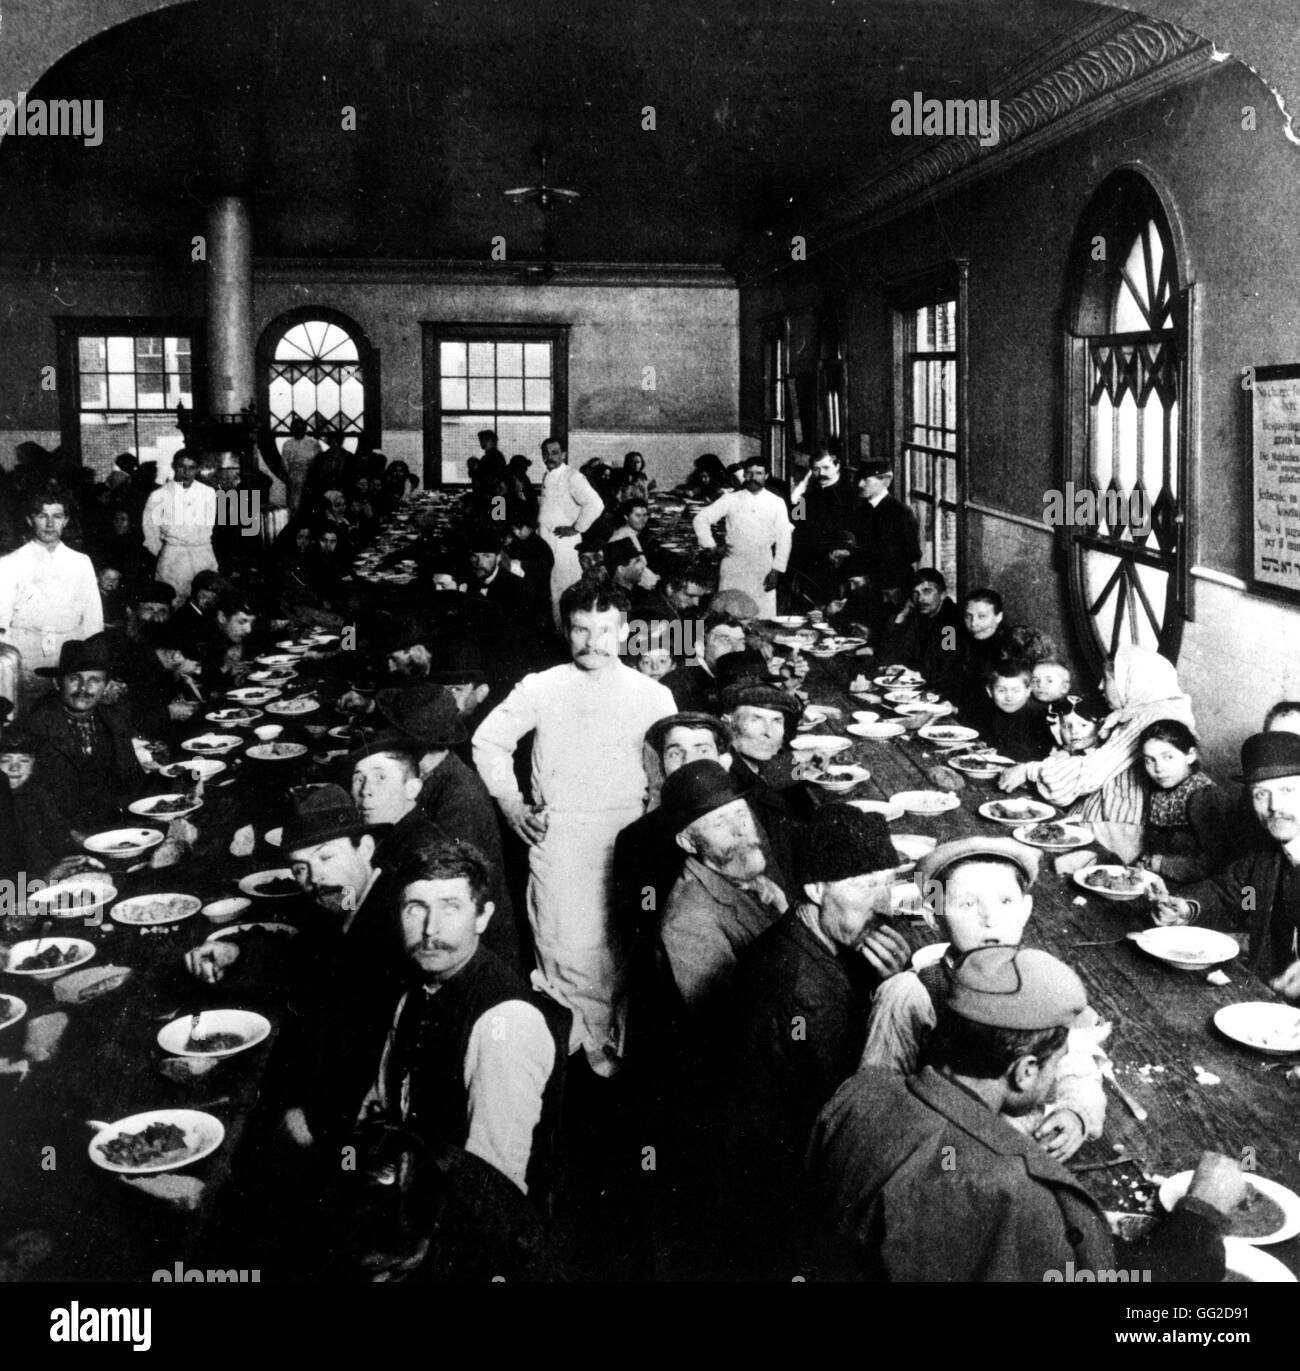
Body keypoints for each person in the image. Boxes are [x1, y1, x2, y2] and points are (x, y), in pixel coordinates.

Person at [808, 944, 1239, 1282]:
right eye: (1058, 1061)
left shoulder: (860, 1092)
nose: (1058, 1073)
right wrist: (1201, 1213)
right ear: (1025, 1071)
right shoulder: (1018, 1194)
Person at [472, 583, 675, 1076]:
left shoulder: (653, 694)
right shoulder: (542, 685)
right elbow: (488, 741)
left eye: (605, 630)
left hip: (630, 834)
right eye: (581, 629)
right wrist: (510, 801)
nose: (593, 641)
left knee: (626, 946)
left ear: (625, 631)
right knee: (567, 946)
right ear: (566, 629)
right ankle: (580, 1056)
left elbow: (670, 768)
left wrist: (658, 822)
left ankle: (620, 1051)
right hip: (559, 836)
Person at [714, 805, 912, 1278]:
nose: (884, 903)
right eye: (865, 885)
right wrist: (896, 993)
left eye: (888, 882)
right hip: (785, 1195)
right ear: (815, 889)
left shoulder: (796, 936)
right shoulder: (805, 994)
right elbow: (855, 1115)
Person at [862, 837, 1107, 1162]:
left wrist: (1077, 1112)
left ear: (1025, 910)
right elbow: (877, 1097)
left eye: (1005, 901)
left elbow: (1077, 1067)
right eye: (967, 904)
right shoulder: (910, 994)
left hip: (1028, 1153)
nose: (989, 918)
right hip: (943, 1156)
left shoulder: (1040, 982)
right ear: (933, 916)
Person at [355, 840, 569, 1201]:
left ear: (483, 916)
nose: (430, 930)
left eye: (450, 907)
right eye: (415, 908)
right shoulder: (416, 990)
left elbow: (494, 1186)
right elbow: (382, 1100)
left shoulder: (504, 1026)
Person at [371, 680, 523, 971]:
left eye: (394, 736)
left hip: (472, 958)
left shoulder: (460, 798)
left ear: (414, 744)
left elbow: (443, 889)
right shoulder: (431, 776)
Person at [999, 643, 1195, 865]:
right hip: (1105, 823)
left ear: (1131, 680)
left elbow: (1091, 772)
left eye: (1107, 679)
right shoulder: (1150, 711)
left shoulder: (1150, 719)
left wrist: (1030, 770)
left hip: (1114, 832)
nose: (1101, 686)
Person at [1150, 731, 1300, 996]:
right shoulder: (1265, 856)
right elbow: (1240, 899)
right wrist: (1186, 908)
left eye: (1287, 790)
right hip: (1266, 991)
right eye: (1261, 794)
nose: (1275, 806)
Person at [656, 760, 788, 1018]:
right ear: (688, 842)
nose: (740, 830)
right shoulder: (689, 923)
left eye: (741, 814)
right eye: (719, 823)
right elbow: (728, 1024)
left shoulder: (739, 869)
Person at [24, 636, 146, 849]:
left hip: (116, 830)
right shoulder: (37, 726)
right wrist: (68, 834)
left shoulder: (114, 721)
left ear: (106, 686)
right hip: (62, 838)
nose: (84, 688)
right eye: (75, 678)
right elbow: (34, 796)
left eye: (94, 680)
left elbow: (134, 780)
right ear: (57, 682)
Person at [0, 485, 103, 689]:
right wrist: (10, 662)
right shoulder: (10, 563)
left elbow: (94, 619)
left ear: (65, 520)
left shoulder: (80, 562)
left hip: (70, 654)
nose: (49, 524)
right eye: (41, 515)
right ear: (30, 520)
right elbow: (1, 618)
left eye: (57, 516)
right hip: (26, 654)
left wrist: (86, 661)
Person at [691, 458, 791, 618]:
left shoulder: (776, 503)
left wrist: (777, 570)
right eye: (749, 473)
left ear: (766, 476)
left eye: (758, 473)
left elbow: (784, 538)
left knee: (761, 615)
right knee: (728, 614)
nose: (753, 478)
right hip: (734, 565)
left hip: (762, 566)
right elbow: (700, 519)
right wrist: (711, 546)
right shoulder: (731, 499)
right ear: (744, 474)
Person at [1134, 719, 1231, 884]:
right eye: (1150, 760)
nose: (1158, 768)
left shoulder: (1205, 796)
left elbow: (1218, 863)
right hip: (1160, 883)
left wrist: (1160, 864)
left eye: (1168, 757)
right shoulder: (1158, 792)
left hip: (1199, 891)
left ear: (1190, 755)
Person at [536, 436, 604, 626]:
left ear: (564, 454)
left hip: (563, 544)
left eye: (555, 453)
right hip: (548, 541)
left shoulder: (572, 476)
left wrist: (576, 528)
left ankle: (570, 636)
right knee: (552, 590)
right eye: (545, 453)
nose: (549, 457)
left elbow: (596, 504)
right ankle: (559, 634)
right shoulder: (548, 475)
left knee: (564, 590)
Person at [850, 461, 921, 635]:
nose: (860, 484)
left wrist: (871, 577)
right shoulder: (861, 511)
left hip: (891, 590)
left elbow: (912, 553)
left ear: (886, 481)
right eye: (859, 479)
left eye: (865, 480)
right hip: (864, 589)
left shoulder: (901, 513)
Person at [141, 450, 218, 603]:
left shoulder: (208, 493)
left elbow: (209, 525)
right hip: (173, 558)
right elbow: (150, 532)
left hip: (202, 555)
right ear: (173, 467)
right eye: (182, 467)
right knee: (174, 600)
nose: (186, 472)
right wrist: (168, 551)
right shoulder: (158, 495)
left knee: (206, 601)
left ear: (197, 469)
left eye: (192, 468)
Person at [787, 451, 857, 603]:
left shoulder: (851, 495)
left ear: (837, 466)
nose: (821, 473)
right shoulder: (807, 495)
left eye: (826, 468)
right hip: (809, 566)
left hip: (839, 566)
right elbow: (797, 523)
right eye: (815, 469)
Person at [876, 567, 962, 690]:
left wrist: (916, 675)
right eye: (916, 593)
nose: (921, 599)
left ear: (943, 594)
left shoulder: (950, 625)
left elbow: (947, 671)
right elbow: (889, 656)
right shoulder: (921, 617)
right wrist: (901, 616)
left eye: (927, 591)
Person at [659, 611, 746, 714]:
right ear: (700, 647)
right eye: (725, 640)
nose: (737, 649)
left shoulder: (739, 678)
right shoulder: (680, 683)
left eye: (741, 641)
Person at [969, 658, 1053, 762]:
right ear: (989, 691)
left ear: (1028, 690)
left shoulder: (1042, 717)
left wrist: (997, 754)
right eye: (1001, 690)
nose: (1009, 697)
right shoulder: (985, 712)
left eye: (1016, 690)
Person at [281, 418, 322, 517]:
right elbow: (284, 462)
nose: (298, 431)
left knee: (309, 503)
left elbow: (319, 461)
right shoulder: (287, 444)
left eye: (300, 428)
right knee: (294, 504)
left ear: (305, 429)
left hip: (310, 477)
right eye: (295, 428)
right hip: (294, 478)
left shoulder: (314, 444)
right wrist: (291, 475)